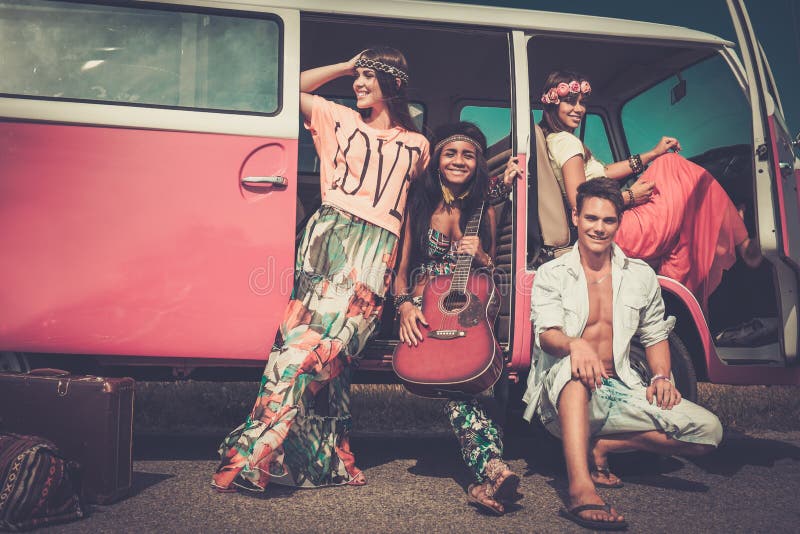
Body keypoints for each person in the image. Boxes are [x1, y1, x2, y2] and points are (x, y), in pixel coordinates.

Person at [212, 47, 430, 492]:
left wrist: (401, 276)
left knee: (337, 352)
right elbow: (287, 89)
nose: (358, 83)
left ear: (393, 83)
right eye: (357, 76)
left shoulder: (418, 145)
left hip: (377, 251)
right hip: (329, 243)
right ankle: (257, 454)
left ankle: (306, 453)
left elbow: (408, 213)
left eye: (368, 76)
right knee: (298, 347)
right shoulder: (338, 117)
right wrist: (347, 65)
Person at [523, 178, 723, 530]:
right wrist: (576, 345)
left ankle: (603, 447)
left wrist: (661, 376)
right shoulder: (552, 274)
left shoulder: (640, 276)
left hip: (620, 390)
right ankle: (580, 490)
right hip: (561, 399)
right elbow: (547, 335)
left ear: (619, 222)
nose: (599, 228)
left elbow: (655, 334)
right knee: (573, 371)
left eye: (608, 220)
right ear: (576, 217)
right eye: (591, 218)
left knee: (708, 433)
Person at [509, 70, 762, 310]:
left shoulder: (556, 140)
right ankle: (742, 244)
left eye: (582, 102)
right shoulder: (567, 143)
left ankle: (725, 250)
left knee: (671, 170)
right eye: (570, 102)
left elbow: (603, 172)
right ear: (552, 104)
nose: (579, 109)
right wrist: (630, 197)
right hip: (615, 230)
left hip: (611, 227)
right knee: (679, 173)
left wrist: (652, 154)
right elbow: (580, 203)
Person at [393, 122, 520, 515]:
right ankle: (491, 467)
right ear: (438, 160)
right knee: (453, 385)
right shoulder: (420, 205)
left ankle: (490, 471)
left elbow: (490, 267)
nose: (459, 161)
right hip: (425, 305)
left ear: (478, 162)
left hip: (465, 306)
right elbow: (400, 269)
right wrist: (404, 305)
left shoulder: (483, 207)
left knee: (456, 384)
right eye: (451, 153)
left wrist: (480, 255)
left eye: (468, 155)